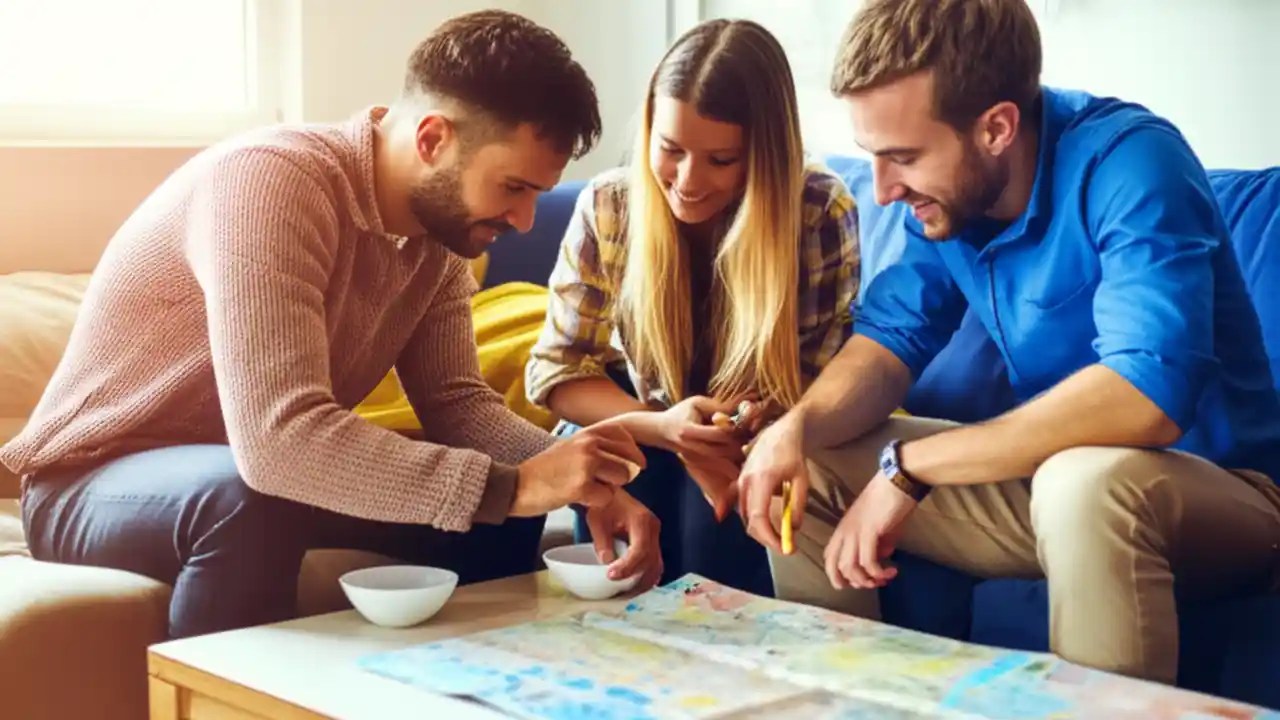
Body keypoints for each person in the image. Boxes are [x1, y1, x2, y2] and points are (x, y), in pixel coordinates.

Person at [0, 10, 661, 640]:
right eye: (513, 187)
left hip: (249, 478)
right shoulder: (270, 181)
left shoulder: (435, 240)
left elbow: (457, 404)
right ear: (433, 139)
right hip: (92, 485)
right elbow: (278, 440)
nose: (523, 221)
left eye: (536, 197)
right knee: (251, 498)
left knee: (489, 517)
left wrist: (574, 480)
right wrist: (515, 484)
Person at [739, 0, 1280, 684]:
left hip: (1230, 499)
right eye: (874, 157)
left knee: (1082, 484)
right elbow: (887, 342)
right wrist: (796, 428)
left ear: (997, 126)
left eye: (903, 157)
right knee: (810, 461)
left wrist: (913, 465)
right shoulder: (949, 203)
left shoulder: (1133, 162)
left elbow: (1151, 394)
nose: (880, 191)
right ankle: (836, 699)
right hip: (1053, 490)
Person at [526, 19, 860, 596]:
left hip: (760, 434)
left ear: (765, 152)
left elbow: (818, 382)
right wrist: (665, 429)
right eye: (671, 150)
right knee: (617, 466)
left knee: (716, 528)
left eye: (722, 160)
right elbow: (556, 371)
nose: (687, 181)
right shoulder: (610, 204)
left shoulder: (817, 210)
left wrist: (725, 437)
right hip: (646, 421)